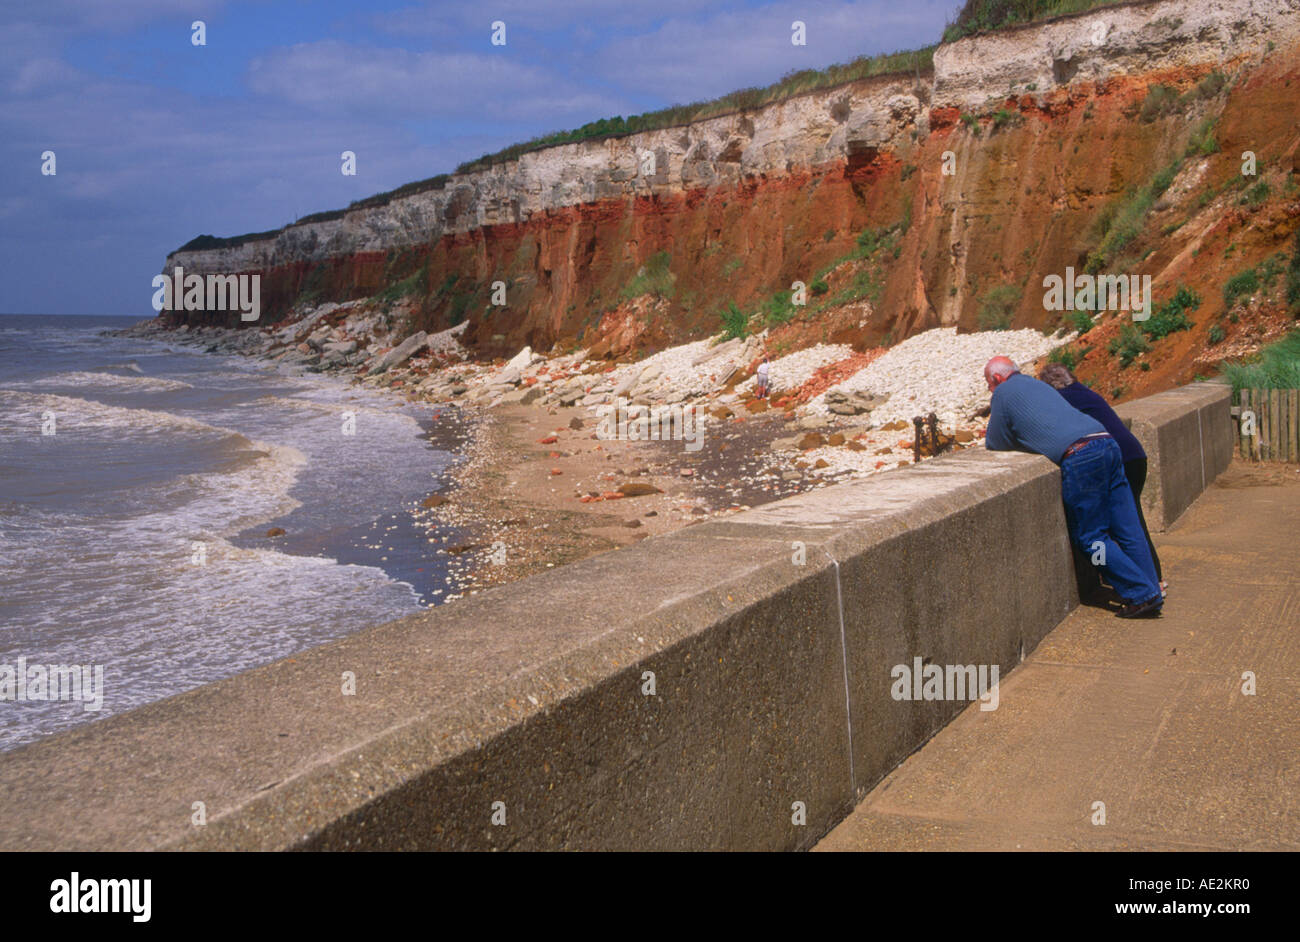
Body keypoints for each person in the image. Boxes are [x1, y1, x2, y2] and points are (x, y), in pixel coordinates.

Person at [982, 356, 1163, 618]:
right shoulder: (1038, 385)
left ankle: (1140, 593)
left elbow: (995, 444)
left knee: (1091, 538)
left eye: (988, 384)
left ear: (996, 379)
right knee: (1128, 528)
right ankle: (1153, 589)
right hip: (1107, 443)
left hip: (1081, 456)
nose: (990, 390)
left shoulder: (1003, 393)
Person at [1039, 362, 1164, 596]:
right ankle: (1153, 579)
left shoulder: (1063, 399)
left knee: (1111, 530)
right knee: (1133, 524)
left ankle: (1145, 584)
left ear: (1050, 386)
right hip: (1134, 454)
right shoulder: (1085, 392)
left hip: (1116, 458)